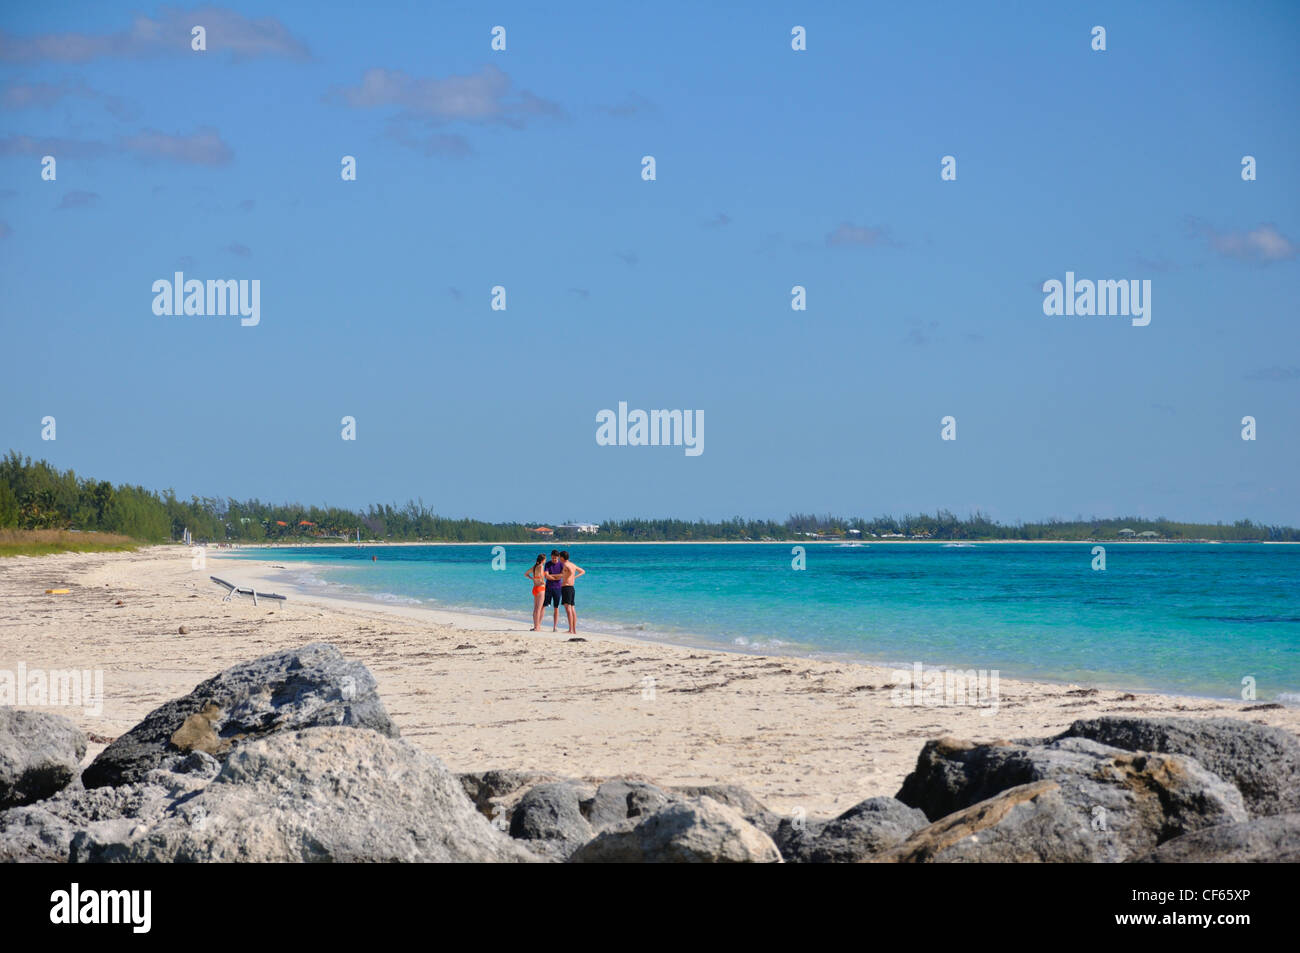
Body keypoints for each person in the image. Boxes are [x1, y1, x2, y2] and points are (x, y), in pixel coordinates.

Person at [558, 550, 585, 634]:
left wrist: (570, 575)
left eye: (559, 557)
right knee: (572, 608)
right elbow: (583, 571)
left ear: (562, 557)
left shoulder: (565, 565)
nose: (559, 558)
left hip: (566, 587)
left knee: (568, 609)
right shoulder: (572, 564)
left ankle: (570, 630)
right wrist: (574, 577)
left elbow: (569, 571)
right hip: (571, 587)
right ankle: (573, 629)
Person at [542, 549, 564, 632]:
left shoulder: (561, 564)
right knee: (543, 606)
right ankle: (538, 625)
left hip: (558, 588)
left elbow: (562, 575)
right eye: (552, 558)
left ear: (558, 557)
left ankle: (555, 627)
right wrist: (556, 577)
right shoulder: (548, 564)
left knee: (556, 607)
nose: (554, 560)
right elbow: (546, 576)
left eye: (555, 558)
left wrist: (552, 576)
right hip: (548, 587)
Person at [525, 554, 547, 631]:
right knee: (539, 608)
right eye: (545, 559)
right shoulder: (541, 566)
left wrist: (532, 578)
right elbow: (541, 575)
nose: (545, 561)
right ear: (543, 560)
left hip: (535, 588)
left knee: (535, 608)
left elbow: (526, 574)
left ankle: (535, 626)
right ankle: (537, 627)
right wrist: (544, 582)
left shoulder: (534, 567)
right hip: (541, 588)